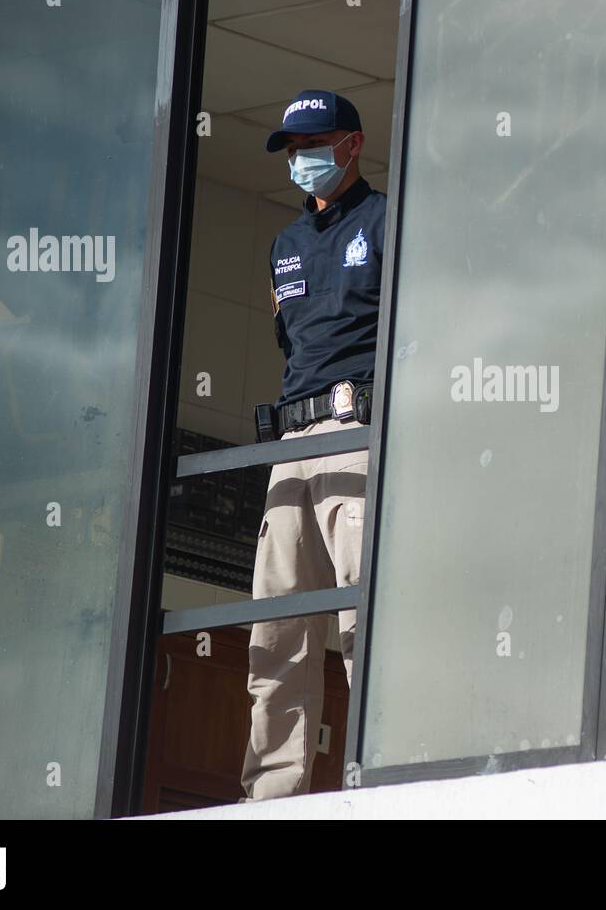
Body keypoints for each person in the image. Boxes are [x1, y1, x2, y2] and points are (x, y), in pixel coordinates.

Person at [240, 89, 385, 801]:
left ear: (352, 143)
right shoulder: (285, 245)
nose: (302, 158)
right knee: (275, 624)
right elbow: (291, 346)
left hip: (356, 431)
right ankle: (271, 792)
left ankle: (384, 774)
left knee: (364, 617)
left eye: (314, 144)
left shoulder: (388, 222)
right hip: (290, 444)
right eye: (293, 149)